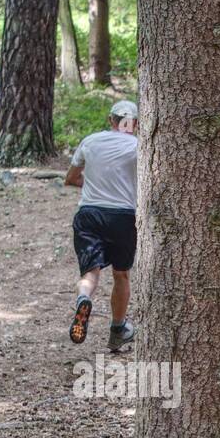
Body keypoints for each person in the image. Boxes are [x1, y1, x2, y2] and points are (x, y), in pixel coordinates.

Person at [64, 100, 138, 350]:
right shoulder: (139, 147)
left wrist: (95, 186)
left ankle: (83, 299)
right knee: (121, 274)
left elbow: (71, 178)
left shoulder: (90, 141)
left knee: (90, 273)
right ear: (135, 124)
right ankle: (117, 329)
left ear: (111, 120)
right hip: (123, 217)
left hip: (89, 214)